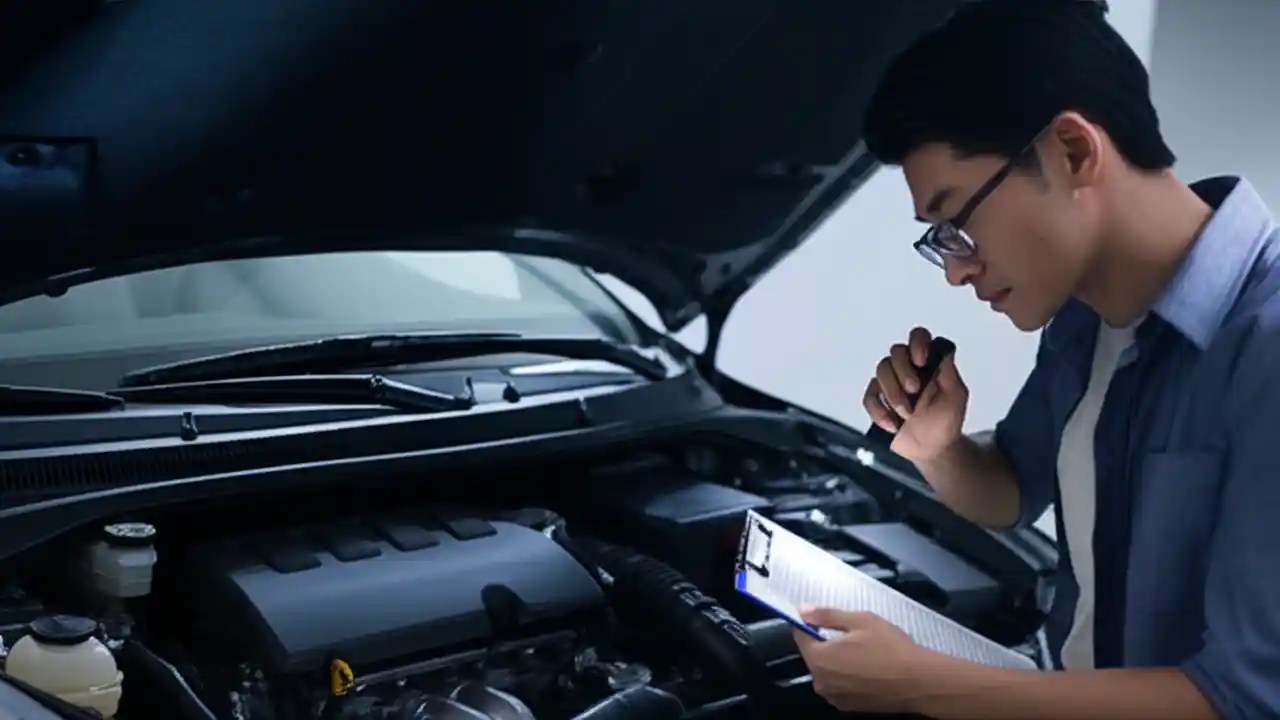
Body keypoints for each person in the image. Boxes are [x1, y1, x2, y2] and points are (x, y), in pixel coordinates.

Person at [792, 1, 1280, 718]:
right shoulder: (1084, 316)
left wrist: (921, 681)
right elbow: (1017, 492)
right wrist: (942, 450)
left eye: (955, 221)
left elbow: (1245, 697)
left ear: (1074, 151)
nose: (954, 271)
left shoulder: (1266, 350)